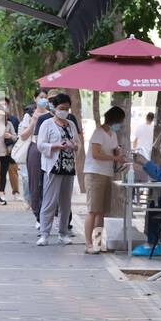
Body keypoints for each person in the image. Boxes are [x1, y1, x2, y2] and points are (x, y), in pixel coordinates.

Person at [36, 93, 78, 246]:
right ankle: (44, 233)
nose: (64, 111)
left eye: (67, 109)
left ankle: (63, 232)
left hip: (68, 166)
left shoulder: (71, 124)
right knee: (49, 201)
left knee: (66, 203)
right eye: (62, 108)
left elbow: (77, 144)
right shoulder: (47, 124)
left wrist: (73, 145)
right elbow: (40, 144)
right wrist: (55, 146)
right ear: (55, 108)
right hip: (53, 166)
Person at [84, 106, 125, 253]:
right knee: (93, 210)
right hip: (95, 173)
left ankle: (97, 242)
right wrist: (114, 157)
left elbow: (114, 149)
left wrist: (119, 154)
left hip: (107, 174)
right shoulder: (98, 133)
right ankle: (89, 243)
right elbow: (96, 154)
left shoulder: (112, 134)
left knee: (101, 211)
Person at [21, 94, 51, 227]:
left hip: (50, 150)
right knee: (35, 182)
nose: (43, 99)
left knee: (48, 183)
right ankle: (38, 215)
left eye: (45, 97)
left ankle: (49, 215)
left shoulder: (52, 115)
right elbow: (23, 136)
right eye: (41, 97)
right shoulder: (29, 115)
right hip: (35, 149)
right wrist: (33, 121)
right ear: (35, 98)